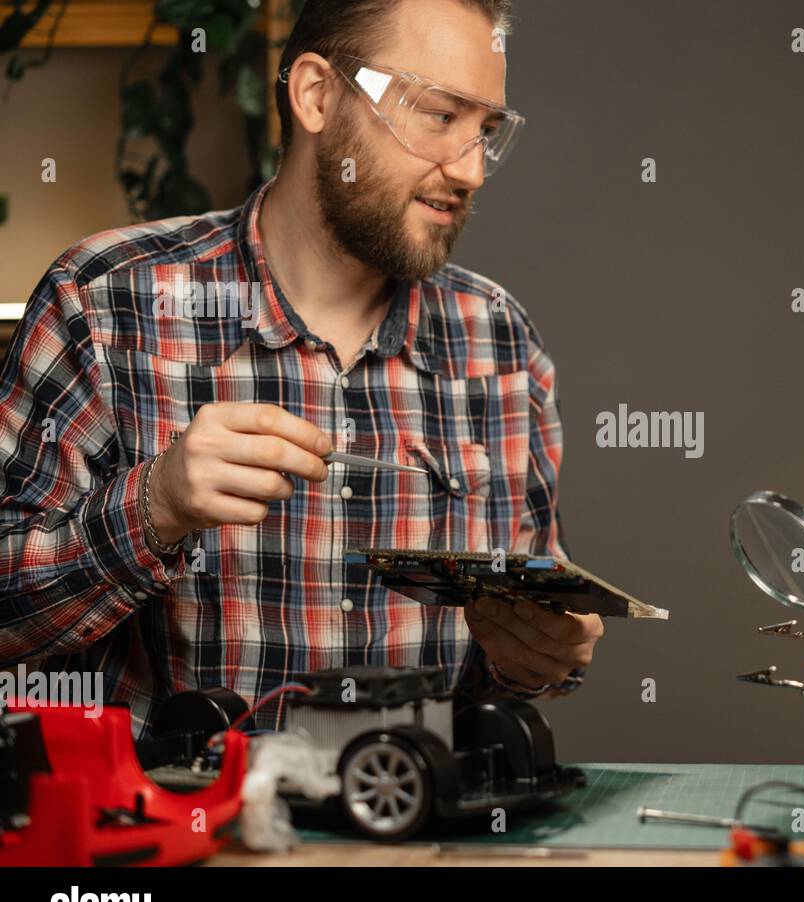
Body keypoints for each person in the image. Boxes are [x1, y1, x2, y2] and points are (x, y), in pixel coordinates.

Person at [0, 0, 602, 736]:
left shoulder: (500, 342)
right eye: (441, 117)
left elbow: (512, 665)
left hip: (411, 826)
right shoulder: (105, 301)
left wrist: (537, 654)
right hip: (189, 837)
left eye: (486, 132)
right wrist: (154, 507)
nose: (471, 170)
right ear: (316, 94)